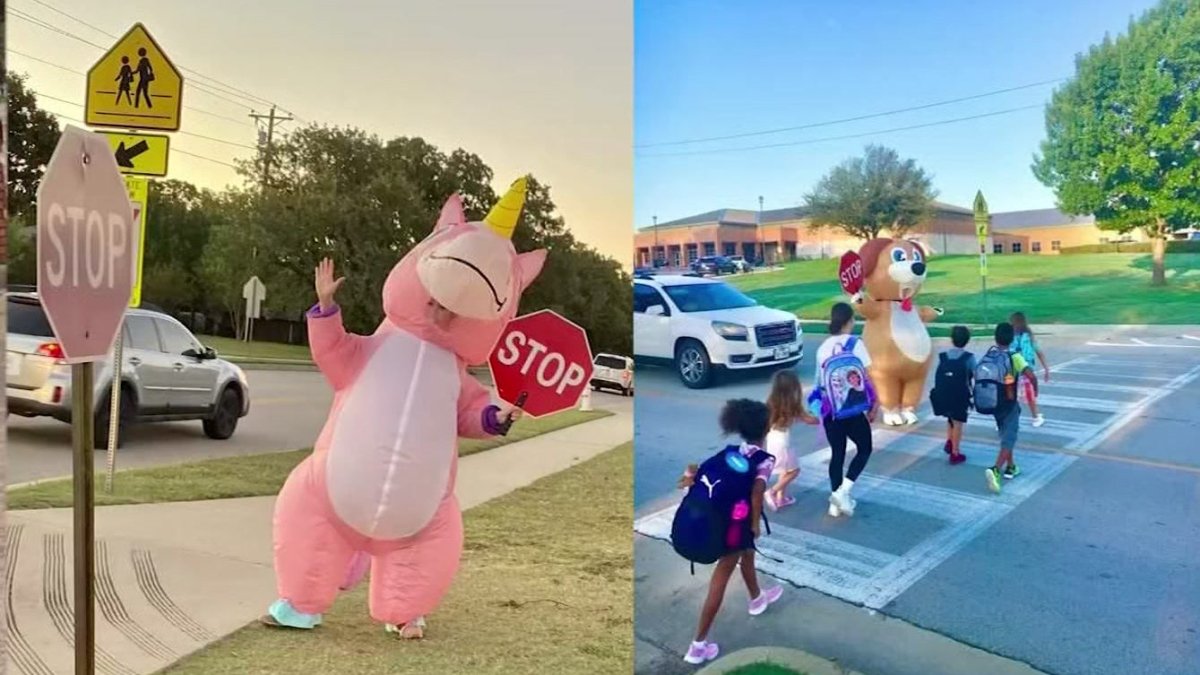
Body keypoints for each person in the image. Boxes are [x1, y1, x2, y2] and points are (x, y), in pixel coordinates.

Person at [677, 399, 783, 665]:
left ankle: (757, 599)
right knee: (721, 578)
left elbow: (694, 471)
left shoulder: (729, 451)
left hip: (718, 519)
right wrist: (755, 525)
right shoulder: (764, 460)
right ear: (766, 428)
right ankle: (697, 645)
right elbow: (757, 492)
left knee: (747, 554)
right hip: (733, 526)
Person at [814, 302, 879, 518]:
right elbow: (868, 377)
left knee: (838, 454)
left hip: (831, 410)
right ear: (849, 321)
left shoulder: (823, 348)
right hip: (852, 408)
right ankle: (843, 492)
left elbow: (818, 383)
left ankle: (835, 503)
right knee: (865, 448)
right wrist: (874, 404)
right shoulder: (856, 344)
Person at [983, 322, 1038, 494]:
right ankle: (996, 469)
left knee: (1006, 434)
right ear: (1012, 339)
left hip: (993, 402)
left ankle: (1011, 467)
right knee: (1010, 437)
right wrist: (1035, 387)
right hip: (1009, 403)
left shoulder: (990, 355)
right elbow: (1030, 374)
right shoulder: (1014, 357)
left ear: (995, 338)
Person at [764, 370, 819, 510]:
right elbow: (811, 420)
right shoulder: (793, 405)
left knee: (786, 469)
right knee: (794, 471)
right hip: (784, 442)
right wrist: (820, 416)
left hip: (772, 439)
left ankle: (781, 498)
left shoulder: (770, 402)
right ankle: (772, 491)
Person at [931, 325, 976, 465]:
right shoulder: (968, 358)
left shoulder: (944, 357)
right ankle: (955, 452)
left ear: (952, 339)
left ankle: (949, 441)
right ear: (967, 340)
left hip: (943, 394)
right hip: (960, 395)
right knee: (958, 422)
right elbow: (976, 374)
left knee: (950, 419)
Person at [1009, 312, 1050, 428]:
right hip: (1017, 369)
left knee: (1027, 394)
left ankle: (1035, 416)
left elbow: (1038, 352)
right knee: (1014, 395)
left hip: (1024, 370)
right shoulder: (1015, 336)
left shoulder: (1026, 336)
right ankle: (1032, 417)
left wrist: (1046, 368)